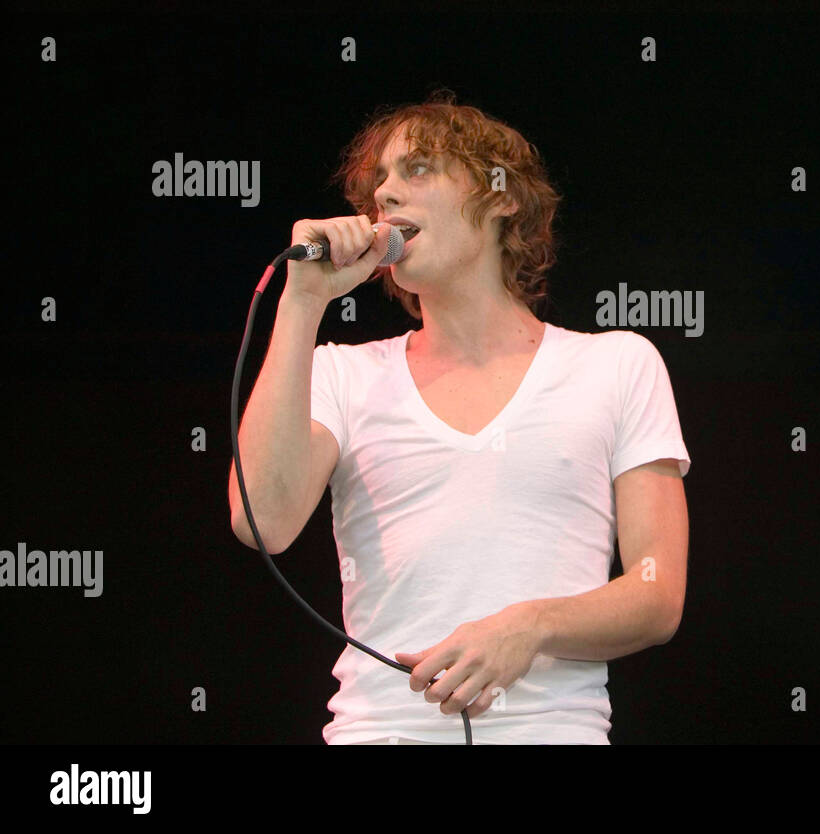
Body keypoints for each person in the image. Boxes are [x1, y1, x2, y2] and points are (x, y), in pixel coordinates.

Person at [229, 91, 690, 744]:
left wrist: (529, 626)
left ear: (502, 196)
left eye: (417, 169)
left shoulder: (616, 365)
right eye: (379, 181)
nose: (386, 194)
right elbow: (260, 519)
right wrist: (303, 303)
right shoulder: (343, 374)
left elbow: (657, 594)